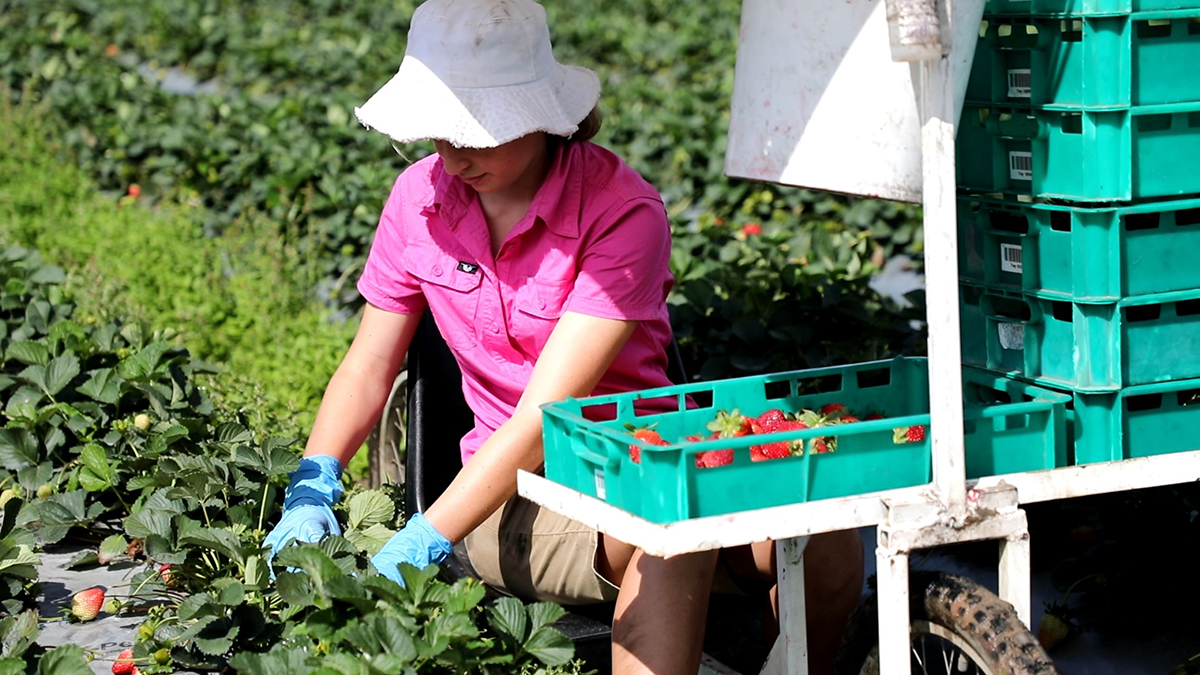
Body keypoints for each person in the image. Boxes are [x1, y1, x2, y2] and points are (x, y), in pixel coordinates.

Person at [262, 1, 864, 673]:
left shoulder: (621, 214)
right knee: (673, 528)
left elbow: (549, 407)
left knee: (824, 532)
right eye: (438, 133)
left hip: (648, 458)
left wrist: (419, 537)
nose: (454, 156)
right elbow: (369, 364)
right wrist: (313, 482)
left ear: (539, 115)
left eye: (477, 132)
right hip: (514, 495)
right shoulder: (418, 202)